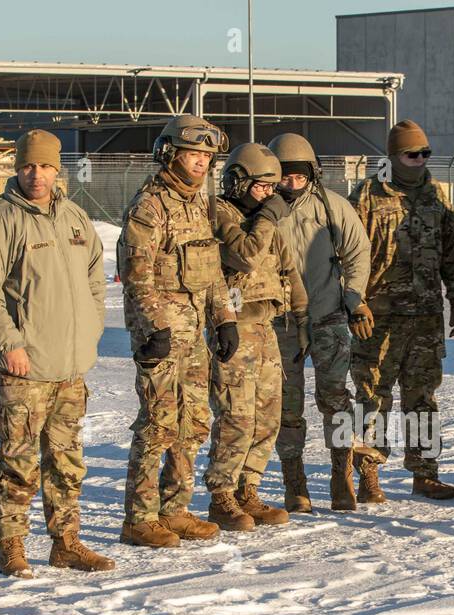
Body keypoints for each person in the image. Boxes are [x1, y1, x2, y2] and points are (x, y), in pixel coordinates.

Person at [0, 129, 114, 577]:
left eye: (46, 166)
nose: (37, 175)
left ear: (57, 169)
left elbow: (94, 279)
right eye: (29, 166)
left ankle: (65, 542)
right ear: (17, 168)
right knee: (18, 462)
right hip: (21, 368)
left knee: (67, 460)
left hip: (70, 365)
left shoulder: (74, 218)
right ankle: (12, 546)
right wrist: (8, 344)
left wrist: (90, 329)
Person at [117, 116, 239, 545]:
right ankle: (139, 516)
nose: (202, 163)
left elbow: (212, 271)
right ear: (170, 154)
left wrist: (224, 318)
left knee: (194, 422)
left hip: (195, 336)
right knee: (158, 423)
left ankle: (175, 508)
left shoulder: (199, 204)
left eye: (207, 156)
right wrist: (154, 326)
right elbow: (137, 276)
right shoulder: (149, 207)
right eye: (193, 154)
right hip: (162, 336)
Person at [348, 120, 454, 502]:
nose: (419, 161)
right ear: (393, 156)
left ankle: (425, 473)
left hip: (425, 316)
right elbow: (347, 255)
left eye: (425, 154)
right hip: (377, 317)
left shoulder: (437, 197)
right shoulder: (367, 195)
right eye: (411, 154)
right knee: (371, 396)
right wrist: (353, 301)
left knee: (423, 399)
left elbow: (452, 252)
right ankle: (367, 472)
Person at [265, 132, 372, 512]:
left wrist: (354, 298)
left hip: (327, 316)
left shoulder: (332, 207)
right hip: (282, 324)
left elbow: (358, 252)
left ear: (312, 174)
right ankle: (295, 481)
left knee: (336, 398)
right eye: (284, 176)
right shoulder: (262, 210)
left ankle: (341, 474)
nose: (291, 184)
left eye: (299, 177)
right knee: (286, 405)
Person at [207, 142, 310, 529]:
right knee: (236, 415)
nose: (268, 195)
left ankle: (248, 488)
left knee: (268, 416)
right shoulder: (220, 214)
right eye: (261, 187)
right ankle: (222, 493)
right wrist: (268, 215)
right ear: (238, 182)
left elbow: (289, 270)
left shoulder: (268, 226)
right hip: (233, 325)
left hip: (266, 327)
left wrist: (302, 320)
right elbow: (245, 255)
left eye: (272, 189)